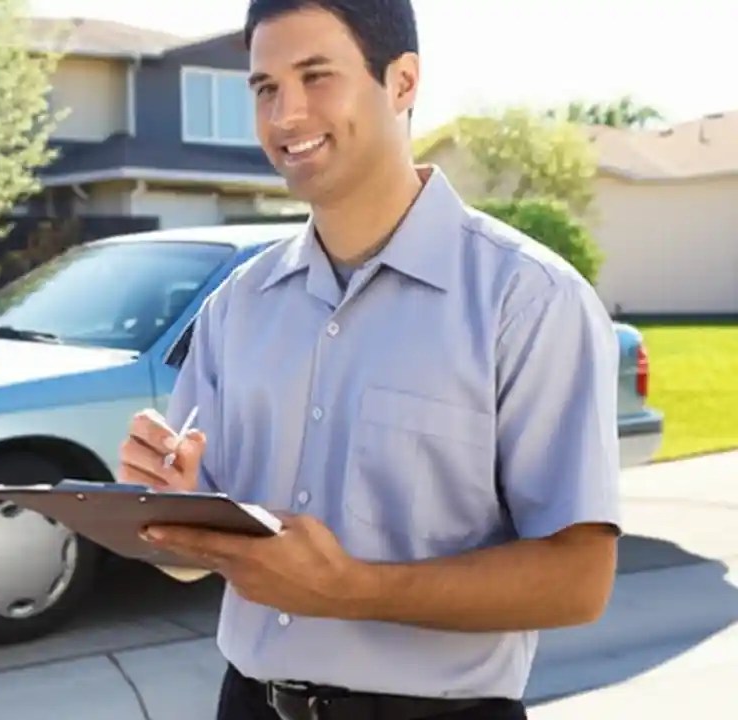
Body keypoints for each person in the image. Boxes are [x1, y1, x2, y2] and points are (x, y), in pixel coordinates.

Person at [118, 1, 621, 719]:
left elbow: (579, 580)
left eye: (316, 76)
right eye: (264, 88)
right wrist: (169, 512)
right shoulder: (238, 305)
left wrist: (354, 587)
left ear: (403, 82)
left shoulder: (528, 300)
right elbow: (191, 556)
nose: (285, 114)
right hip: (247, 704)